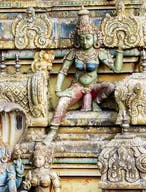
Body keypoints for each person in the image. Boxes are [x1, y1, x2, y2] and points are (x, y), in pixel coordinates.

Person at [48, 9, 123, 137]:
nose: (85, 42)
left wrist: (120, 50)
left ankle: (96, 101)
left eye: (88, 38)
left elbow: (116, 69)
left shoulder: (99, 53)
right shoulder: (74, 53)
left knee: (111, 87)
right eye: (82, 39)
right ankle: (52, 132)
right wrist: (59, 90)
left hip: (93, 86)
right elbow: (62, 72)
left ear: (94, 38)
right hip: (77, 86)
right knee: (62, 102)